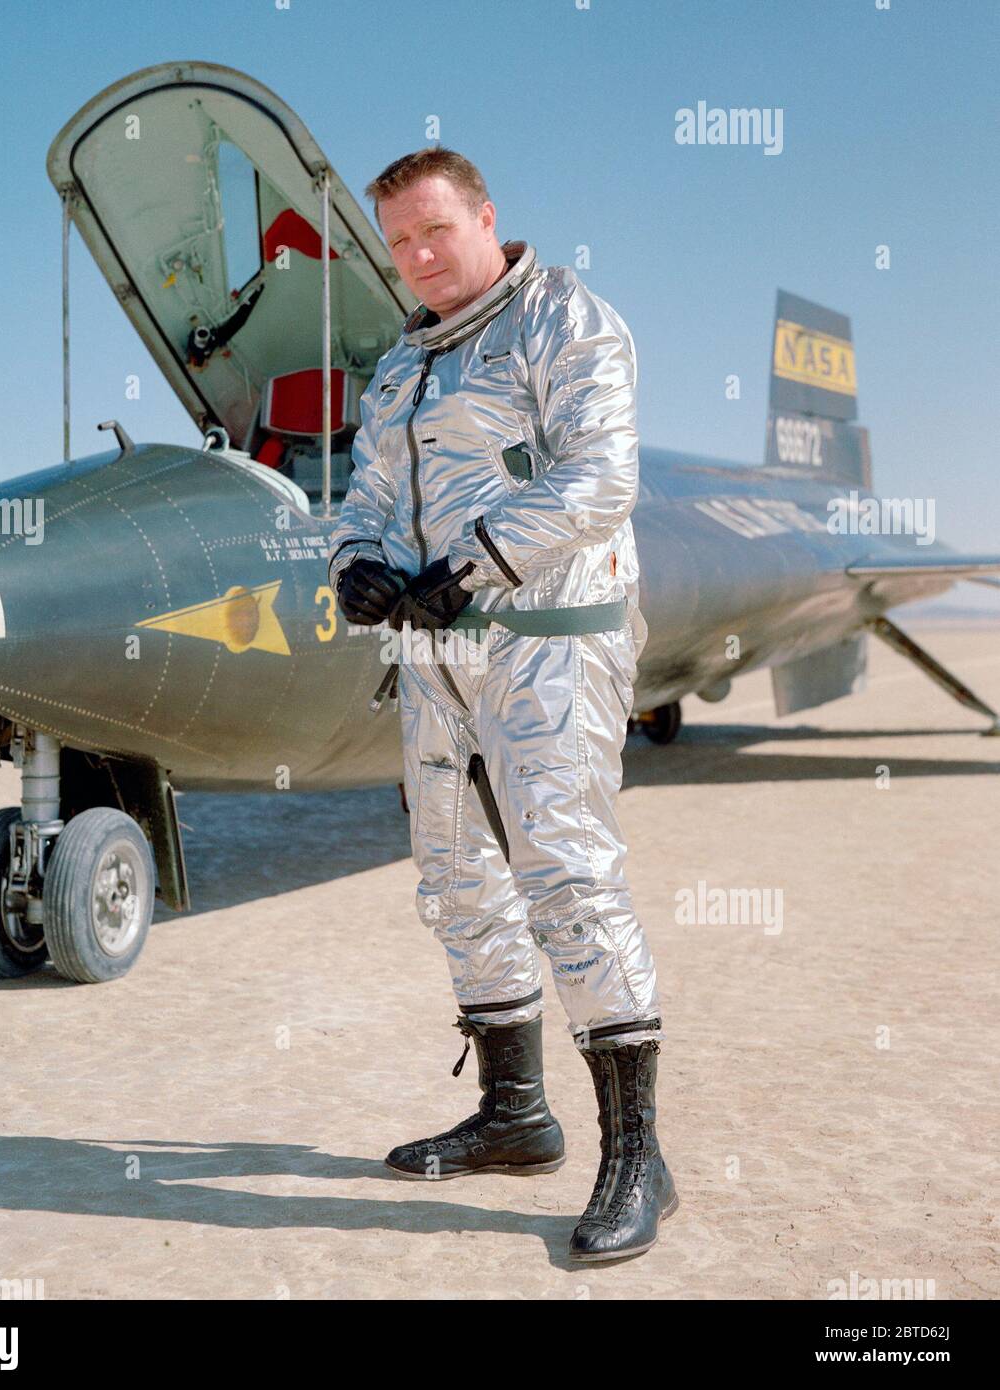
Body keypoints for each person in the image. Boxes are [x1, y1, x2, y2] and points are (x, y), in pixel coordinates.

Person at [326, 148, 677, 1260]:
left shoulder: (564, 320)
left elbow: (599, 478)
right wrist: (353, 567)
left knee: (564, 872)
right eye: (399, 244)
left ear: (484, 215)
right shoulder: (400, 367)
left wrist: (472, 562)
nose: (420, 258)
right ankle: (515, 1114)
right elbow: (366, 496)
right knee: (457, 879)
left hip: (549, 642)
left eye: (436, 231)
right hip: (434, 658)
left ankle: (637, 1157)